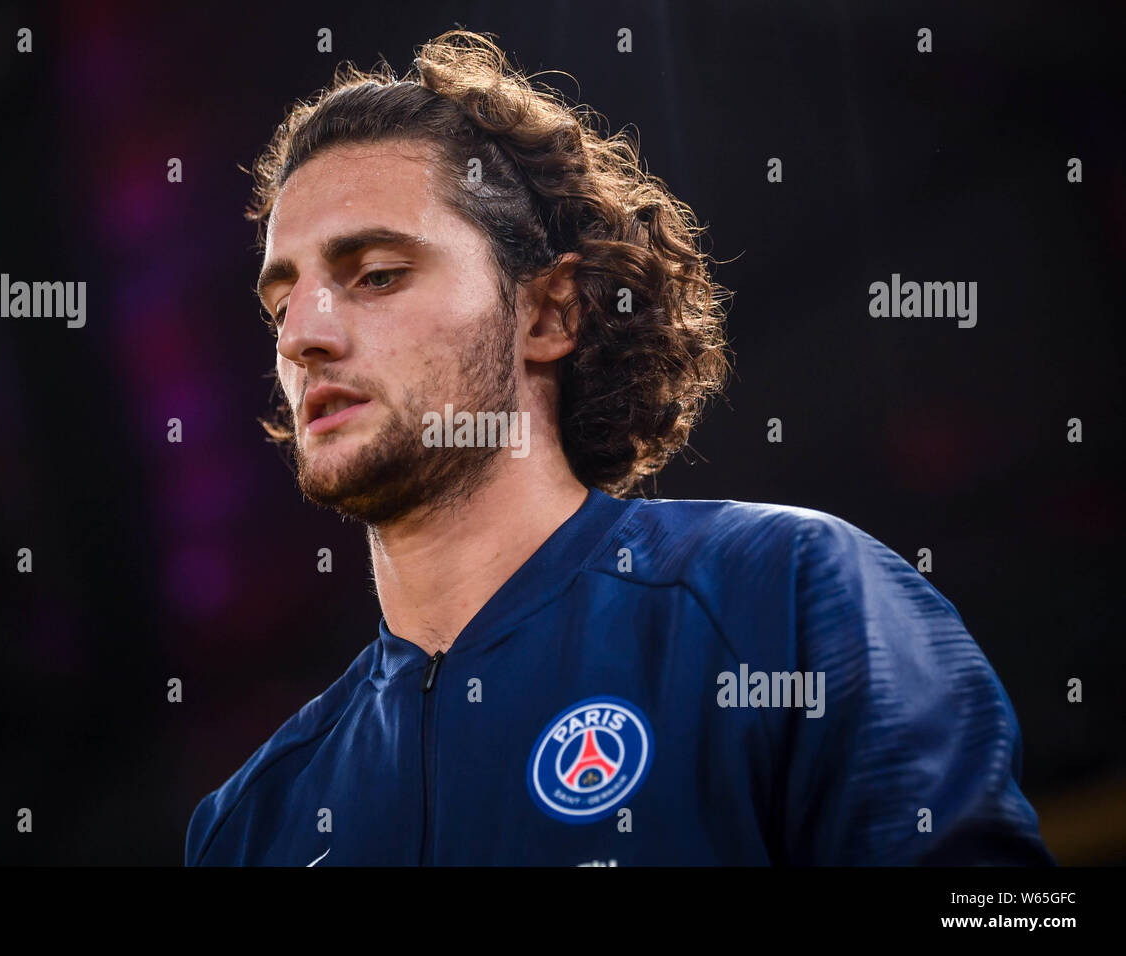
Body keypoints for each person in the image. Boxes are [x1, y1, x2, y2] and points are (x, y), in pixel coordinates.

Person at [186, 30, 1053, 865]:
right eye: (280, 304)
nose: (303, 336)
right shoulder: (249, 824)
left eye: (375, 274)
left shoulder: (788, 596)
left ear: (550, 312)